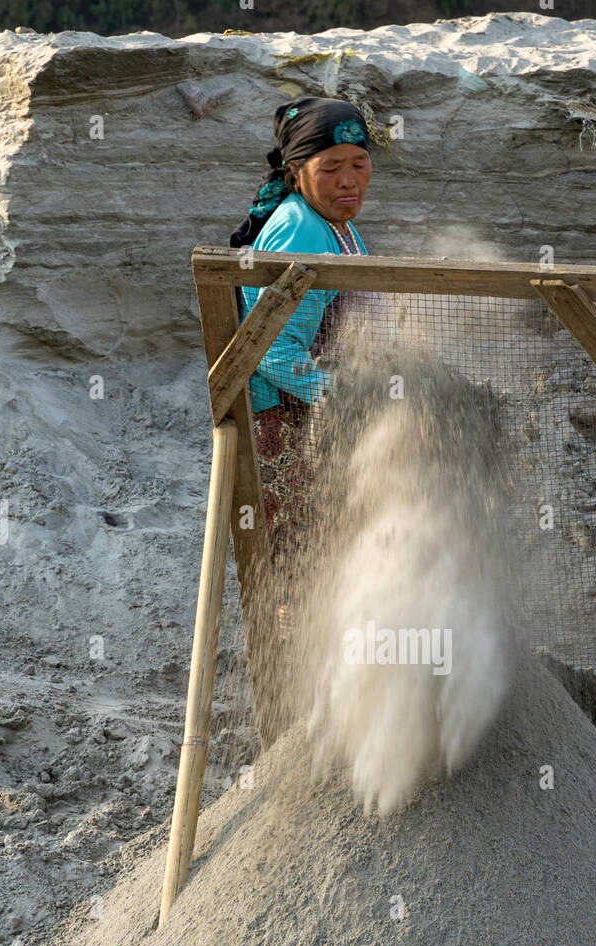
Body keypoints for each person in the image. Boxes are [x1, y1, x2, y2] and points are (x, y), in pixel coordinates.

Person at [230, 97, 373, 592]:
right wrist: (341, 395)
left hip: (313, 411)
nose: (348, 180)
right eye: (330, 168)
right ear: (295, 172)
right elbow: (270, 346)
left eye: (358, 165)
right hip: (284, 421)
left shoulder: (336, 224)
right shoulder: (300, 229)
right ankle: (294, 663)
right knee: (299, 560)